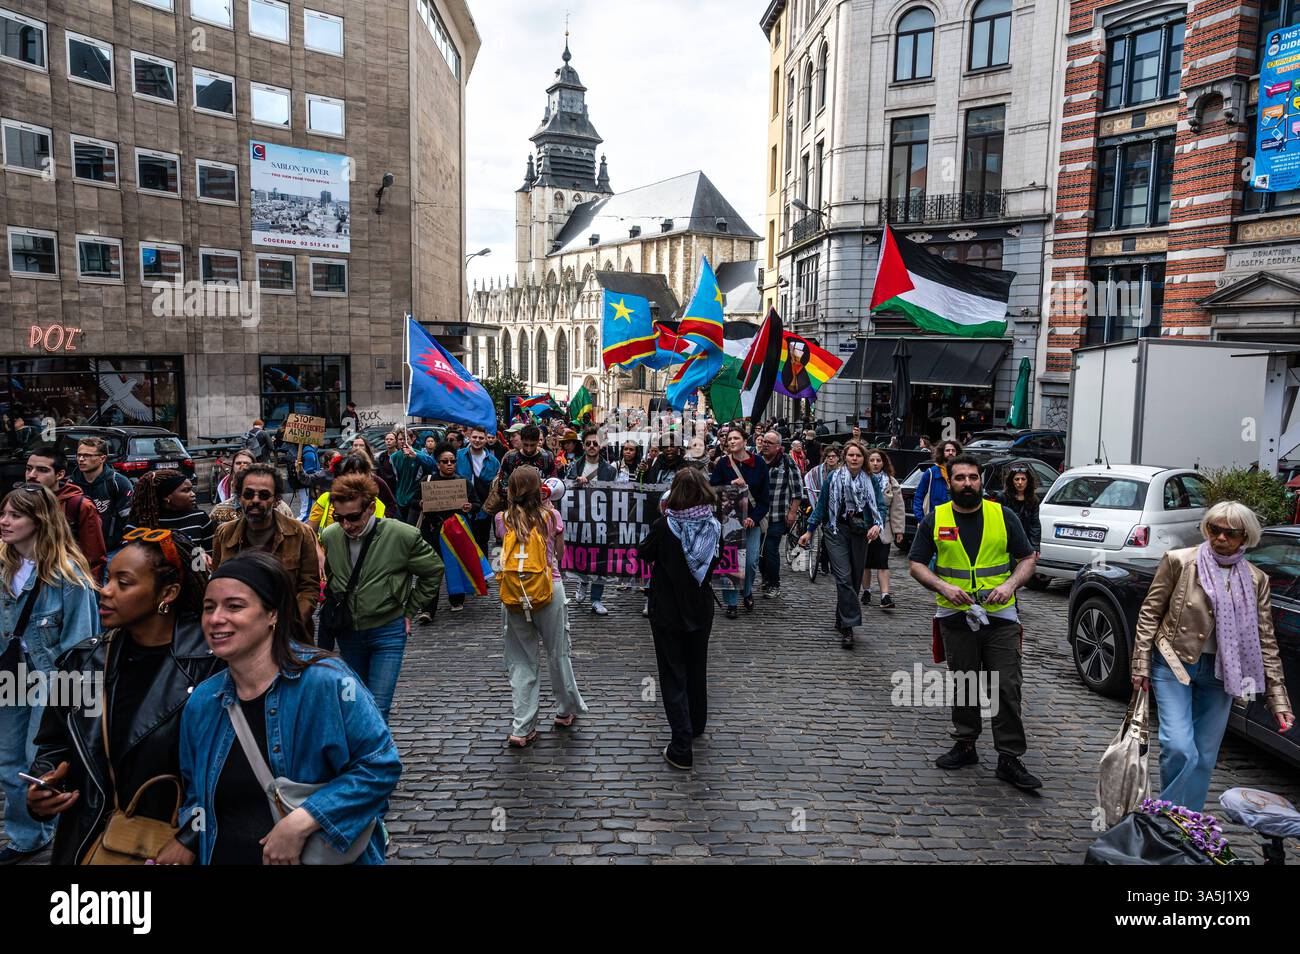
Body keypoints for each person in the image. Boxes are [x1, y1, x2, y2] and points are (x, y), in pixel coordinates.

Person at [179, 551, 402, 864]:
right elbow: (195, 792)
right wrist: (188, 837)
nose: (216, 618)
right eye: (209, 607)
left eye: (235, 606)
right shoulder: (203, 701)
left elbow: (379, 766)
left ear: (273, 614)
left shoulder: (326, 684)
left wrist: (305, 820)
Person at [26, 529, 221, 865]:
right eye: (108, 578)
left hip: (174, 848)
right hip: (92, 843)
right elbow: (54, 742)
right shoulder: (83, 661)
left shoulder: (212, 665)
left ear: (168, 592)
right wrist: (44, 785)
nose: (105, 590)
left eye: (124, 582)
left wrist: (191, 837)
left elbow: (230, 773)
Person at [1131, 502, 1293, 811]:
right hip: (1174, 663)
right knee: (1178, 747)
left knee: (1204, 755)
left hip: (1223, 675)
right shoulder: (1179, 561)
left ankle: (1187, 828)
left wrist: (1278, 698)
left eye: (1229, 533)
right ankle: (1165, 817)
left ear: (1245, 537)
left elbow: (1265, 640)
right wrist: (1140, 663)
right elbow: (1149, 614)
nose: (1219, 538)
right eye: (1213, 529)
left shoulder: (1256, 579)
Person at [907, 454, 1042, 791]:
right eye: (960, 478)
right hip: (955, 617)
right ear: (949, 482)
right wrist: (943, 586)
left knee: (1006, 687)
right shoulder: (936, 518)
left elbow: (1027, 559)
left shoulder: (1003, 515)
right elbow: (916, 564)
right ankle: (966, 744)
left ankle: (1009, 757)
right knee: (965, 683)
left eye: (973, 478)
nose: (967, 483)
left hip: (1001, 617)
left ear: (981, 481)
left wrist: (1009, 585)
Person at [0, 484, 100, 864]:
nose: (5, 521)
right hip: (11, 675)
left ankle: (52, 831)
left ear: (38, 521)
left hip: (52, 679)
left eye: (15, 515)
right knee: (9, 759)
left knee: (38, 758)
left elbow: (83, 643)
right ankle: (26, 836)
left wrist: (74, 698)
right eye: (4, 513)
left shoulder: (68, 574)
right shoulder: (3, 565)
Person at [319, 474, 442, 719]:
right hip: (348, 635)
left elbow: (433, 571)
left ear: (371, 508)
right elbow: (330, 579)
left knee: (378, 707)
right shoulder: (330, 536)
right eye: (339, 517)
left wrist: (410, 609)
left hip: (387, 632)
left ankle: (376, 757)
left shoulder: (402, 535)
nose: (346, 524)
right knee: (352, 704)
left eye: (353, 517)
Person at [495, 467, 585, 746]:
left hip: (513, 592)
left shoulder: (502, 519)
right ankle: (564, 710)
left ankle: (522, 727)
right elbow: (558, 554)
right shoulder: (551, 516)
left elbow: (502, 552)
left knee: (521, 659)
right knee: (558, 652)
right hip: (548, 587)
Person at [638, 468, 721, 771]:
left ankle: (681, 747)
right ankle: (696, 722)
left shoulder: (665, 525)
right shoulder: (713, 524)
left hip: (669, 609)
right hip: (700, 607)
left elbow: (643, 553)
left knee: (674, 674)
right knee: (697, 666)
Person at [212, 463, 320, 630]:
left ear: (276, 499)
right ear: (240, 497)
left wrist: (290, 621)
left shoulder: (300, 533)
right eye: (248, 494)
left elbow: (309, 587)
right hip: (240, 633)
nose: (255, 500)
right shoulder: (224, 534)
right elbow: (217, 583)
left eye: (263, 495)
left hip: (288, 634)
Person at [798, 440, 881, 648]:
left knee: (853, 580)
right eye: (851, 455)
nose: (854, 458)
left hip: (860, 532)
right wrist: (809, 530)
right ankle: (849, 627)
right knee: (843, 576)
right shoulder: (834, 477)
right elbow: (822, 505)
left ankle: (841, 618)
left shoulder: (871, 480)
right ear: (845, 457)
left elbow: (879, 505)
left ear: (864, 459)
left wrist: (878, 525)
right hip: (836, 530)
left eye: (858, 455)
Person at [413, 443, 479, 623]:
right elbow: (413, 500)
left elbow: (476, 503)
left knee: (455, 564)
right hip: (432, 531)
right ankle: (427, 609)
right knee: (430, 569)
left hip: (454, 532)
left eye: (452, 461)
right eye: (445, 461)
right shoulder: (427, 482)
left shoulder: (463, 482)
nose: (449, 464)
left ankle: (456, 598)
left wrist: (470, 506)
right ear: (437, 464)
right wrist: (420, 503)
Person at [710, 428, 770, 620]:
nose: (732, 441)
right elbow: (713, 490)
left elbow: (764, 499)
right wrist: (729, 487)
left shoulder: (759, 464)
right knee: (731, 562)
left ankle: (747, 590)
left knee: (751, 562)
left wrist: (755, 516)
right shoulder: (723, 464)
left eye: (736, 438)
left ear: (745, 441)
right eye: (729, 439)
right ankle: (731, 602)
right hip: (729, 522)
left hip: (751, 522)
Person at [25, 445, 108, 581]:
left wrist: (90, 593)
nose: (32, 475)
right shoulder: (19, 502)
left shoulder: (79, 505)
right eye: (29, 468)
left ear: (60, 474)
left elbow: (94, 558)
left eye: (42, 470)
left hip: (65, 582)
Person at [565, 428, 616, 615]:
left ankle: (596, 599)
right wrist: (575, 483)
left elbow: (614, 495)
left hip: (601, 520)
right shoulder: (574, 466)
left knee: (600, 561)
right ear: (583, 446)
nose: (592, 446)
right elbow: (565, 489)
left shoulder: (610, 470)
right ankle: (583, 581)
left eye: (595, 443)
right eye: (588, 443)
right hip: (579, 519)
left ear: (601, 445)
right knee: (582, 555)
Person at [755, 430, 802, 600]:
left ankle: (774, 583)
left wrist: (792, 512)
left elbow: (797, 492)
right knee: (757, 551)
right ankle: (766, 578)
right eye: (764, 441)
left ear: (778, 446)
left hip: (777, 515)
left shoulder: (787, 463)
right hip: (757, 515)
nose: (765, 444)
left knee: (770, 549)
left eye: (769, 443)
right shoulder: (755, 459)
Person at [69, 437, 134, 552]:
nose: (81, 459)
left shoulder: (118, 483)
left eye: (87, 455)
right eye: (79, 455)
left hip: (110, 549)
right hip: (77, 551)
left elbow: (130, 519)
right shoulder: (70, 483)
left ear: (102, 458)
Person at [125, 471, 214, 552]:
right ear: (166, 497)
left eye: (191, 489)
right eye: (185, 490)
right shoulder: (140, 522)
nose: (193, 494)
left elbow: (212, 555)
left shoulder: (200, 517)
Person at [862, 449, 905, 610]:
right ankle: (865, 590)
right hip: (865, 528)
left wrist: (899, 530)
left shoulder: (891, 481)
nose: (875, 463)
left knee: (882, 562)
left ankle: (885, 595)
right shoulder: (861, 479)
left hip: (884, 529)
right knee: (865, 563)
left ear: (883, 463)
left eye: (878, 460)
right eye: (872, 460)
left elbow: (897, 508)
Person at [309, 455, 391, 536]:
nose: (358, 477)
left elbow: (381, 536)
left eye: (362, 473)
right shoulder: (326, 498)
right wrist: (320, 549)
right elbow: (311, 533)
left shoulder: (377, 504)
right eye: (338, 517)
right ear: (341, 476)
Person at [211, 451, 295, 526]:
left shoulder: (281, 509)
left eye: (264, 495)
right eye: (248, 494)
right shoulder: (220, 511)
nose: (242, 466)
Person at [455, 425, 500, 557]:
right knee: (463, 546)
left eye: (481, 438)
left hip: (484, 510)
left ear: (486, 439)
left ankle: (483, 575)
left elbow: (496, 488)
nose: (477, 440)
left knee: (482, 543)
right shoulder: (458, 456)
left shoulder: (493, 462)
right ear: (469, 437)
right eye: (474, 437)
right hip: (462, 509)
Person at [389, 428, 437, 525]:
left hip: (414, 498)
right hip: (400, 499)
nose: (403, 441)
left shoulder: (419, 454)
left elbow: (432, 465)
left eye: (406, 439)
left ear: (412, 440)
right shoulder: (394, 457)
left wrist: (416, 456)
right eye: (400, 439)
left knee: (412, 527)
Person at [912, 439, 962, 524]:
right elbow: (919, 497)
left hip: (955, 520)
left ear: (957, 453)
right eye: (947, 450)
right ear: (942, 453)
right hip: (935, 520)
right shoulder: (931, 473)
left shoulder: (961, 473)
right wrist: (922, 519)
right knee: (937, 538)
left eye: (953, 450)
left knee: (952, 538)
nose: (950, 453)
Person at [999, 464, 1041, 550]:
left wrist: (1036, 546)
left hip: (1025, 542)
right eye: (1017, 479)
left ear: (1028, 481)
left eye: (1023, 479)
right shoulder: (1003, 498)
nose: (1020, 482)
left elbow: (1035, 525)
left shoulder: (1034, 500)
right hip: (1007, 543)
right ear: (1012, 481)